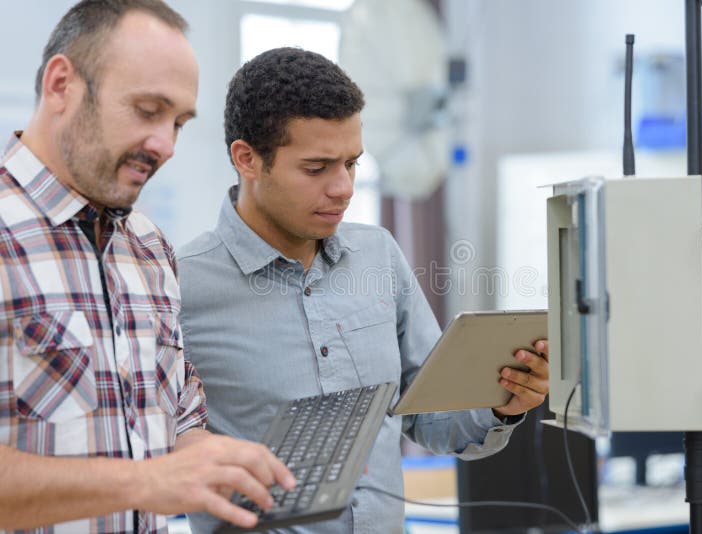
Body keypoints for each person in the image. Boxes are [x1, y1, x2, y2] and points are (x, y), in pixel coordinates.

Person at [177, 47, 549, 533]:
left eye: (351, 163)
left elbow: (429, 416)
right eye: (317, 168)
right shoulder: (177, 286)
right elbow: (159, 460)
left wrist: (503, 404)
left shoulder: (378, 255)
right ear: (247, 159)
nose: (344, 187)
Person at [0, 2, 294, 533]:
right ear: (61, 84)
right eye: (146, 110)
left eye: (178, 122)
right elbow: (152, 477)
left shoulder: (150, 249)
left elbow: (179, 422)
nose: (166, 145)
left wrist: (234, 465)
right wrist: (146, 480)